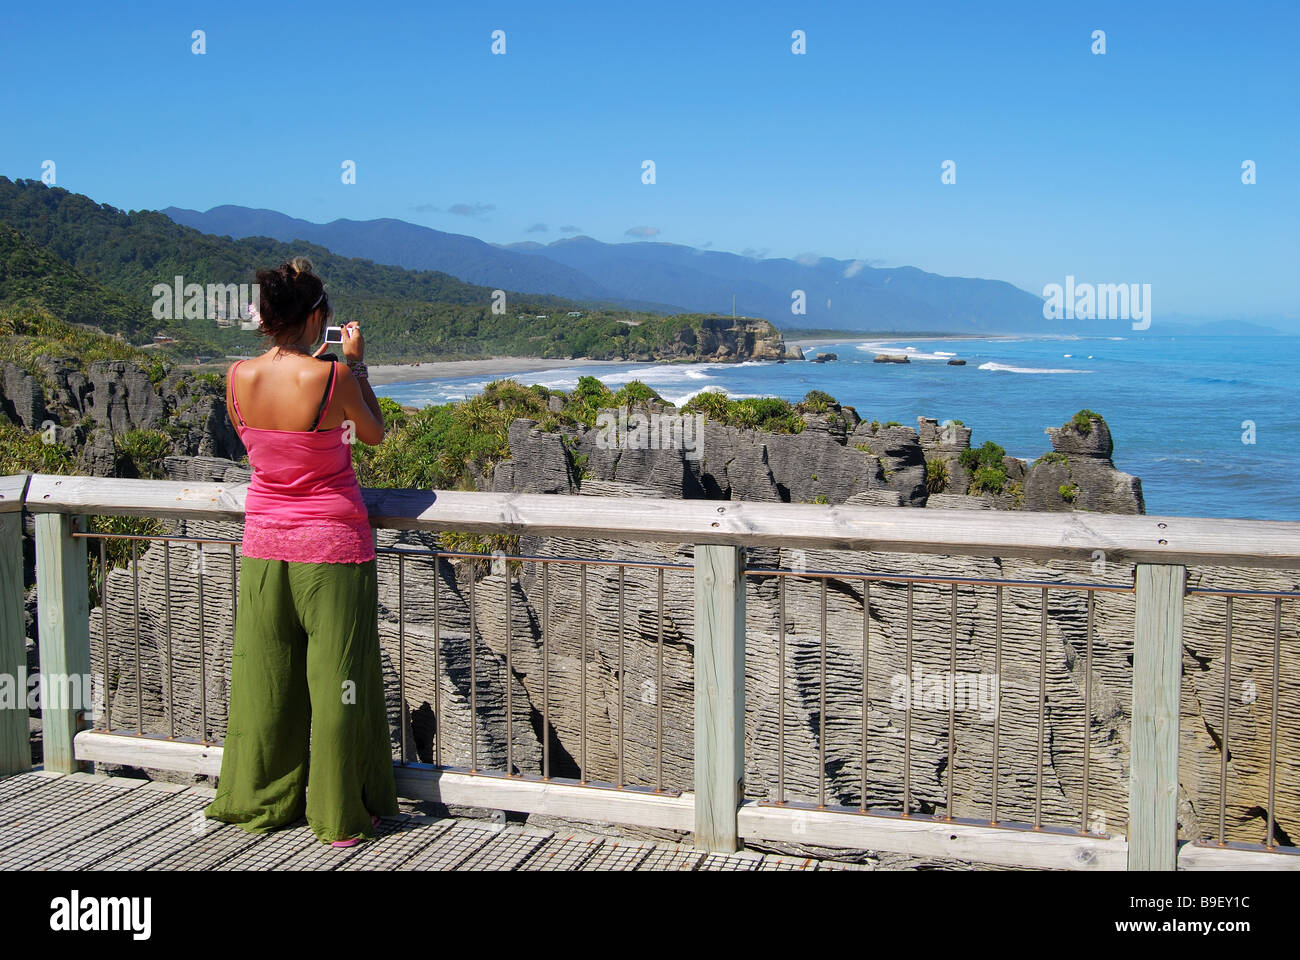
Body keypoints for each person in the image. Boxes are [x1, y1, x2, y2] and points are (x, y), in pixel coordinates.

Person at [203, 257, 399, 848]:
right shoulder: (330, 377)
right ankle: (338, 813)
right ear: (316, 317)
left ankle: (260, 798)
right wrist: (356, 362)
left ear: (265, 319)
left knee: (267, 676)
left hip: (264, 544)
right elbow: (374, 434)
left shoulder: (237, 376)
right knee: (340, 677)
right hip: (332, 545)